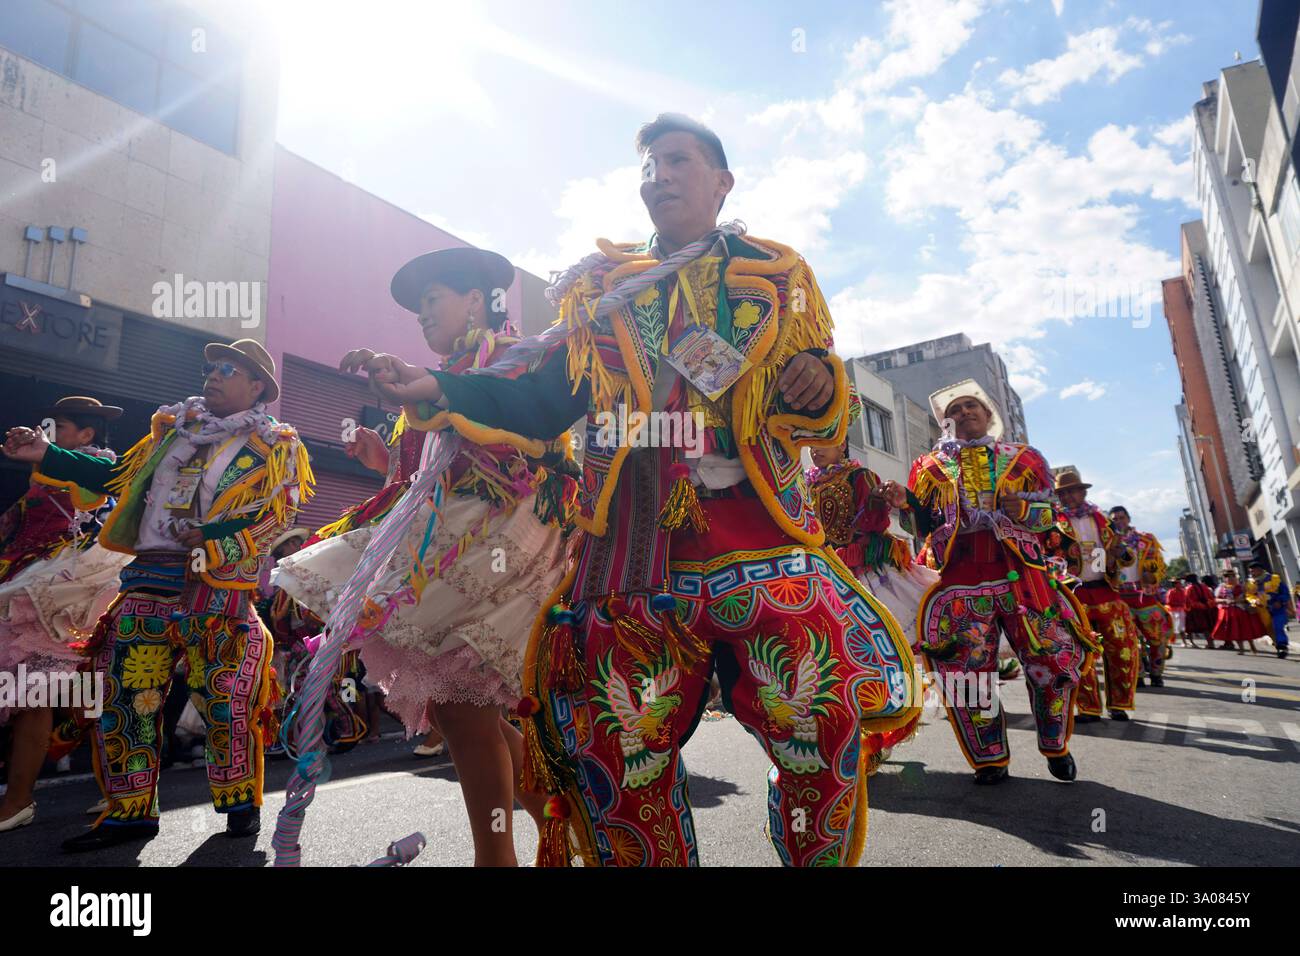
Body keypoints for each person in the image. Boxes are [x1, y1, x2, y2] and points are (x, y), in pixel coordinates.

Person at [361, 114, 919, 866]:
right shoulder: (602, 294)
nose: (659, 174)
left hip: (760, 539)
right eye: (650, 164)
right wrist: (434, 384)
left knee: (818, 725)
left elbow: (815, 413)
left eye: (678, 160)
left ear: (722, 182)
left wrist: (823, 382)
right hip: (632, 554)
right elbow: (539, 403)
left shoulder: (777, 276)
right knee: (619, 759)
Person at [275, 246, 571, 866]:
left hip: (501, 537)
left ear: (474, 300)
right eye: (416, 310)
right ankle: (560, 830)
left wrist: (426, 389)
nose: (422, 315)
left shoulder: (514, 358)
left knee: (464, 706)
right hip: (452, 534)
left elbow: (511, 428)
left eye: (432, 299)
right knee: (464, 711)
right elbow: (424, 472)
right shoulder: (449, 373)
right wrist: (386, 452)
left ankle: (503, 857)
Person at [2, 340, 313, 851]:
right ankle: (130, 812)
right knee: (129, 698)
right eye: (211, 367)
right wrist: (48, 455)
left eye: (228, 370)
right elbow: (120, 480)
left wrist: (214, 536)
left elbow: (277, 514)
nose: (213, 375)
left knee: (223, 700)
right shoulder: (174, 433)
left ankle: (240, 803)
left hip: (214, 588)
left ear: (256, 387)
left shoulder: (275, 445)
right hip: (148, 580)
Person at [905, 382, 1094, 784]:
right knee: (966, 672)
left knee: (1051, 660)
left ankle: (1055, 743)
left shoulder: (1023, 458)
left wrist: (1024, 507)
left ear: (989, 414)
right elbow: (922, 526)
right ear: (945, 422)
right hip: (962, 579)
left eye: (972, 404)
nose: (965, 411)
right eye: (955, 409)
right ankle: (989, 756)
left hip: (1022, 576)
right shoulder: (930, 468)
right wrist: (905, 505)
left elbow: (1051, 520)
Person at [0, 397, 127, 833]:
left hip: (61, 595)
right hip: (32, 587)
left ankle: (17, 801)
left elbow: (89, 502)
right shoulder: (49, 474)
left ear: (86, 436)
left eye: (58, 426)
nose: (47, 431)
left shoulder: (93, 471)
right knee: (78, 697)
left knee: (32, 695)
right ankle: (124, 786)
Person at [1048, 471, 1142, 722]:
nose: (1068, 496)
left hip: (1106, 591)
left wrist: (1119, 554)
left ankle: (1120, 704)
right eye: (1063, 493)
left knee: (1123, 649)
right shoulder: (1052, 523)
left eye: (1072, 491)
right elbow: (1044, 557)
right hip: (1073, 596)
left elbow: (1126, 557)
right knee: (1078, 652)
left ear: (1084, 492)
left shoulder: (1103, 520)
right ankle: (1088, 707)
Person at [1107, 506, 1174, 688]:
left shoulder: (1146, 539)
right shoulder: (1107, 542)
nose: (1119, 521)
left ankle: (1156, 673)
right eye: (1115, 519)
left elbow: (1156, 570)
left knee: (1157, 639)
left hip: (1145, 596)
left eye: (1122, 517)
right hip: (1120, 597)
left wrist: (1150, 576)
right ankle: (1137, 674)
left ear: (1128, 519)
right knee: (1129, 640)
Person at [1246, 562, 1291, 659]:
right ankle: (1278, 646)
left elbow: (1285, 593)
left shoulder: (1274, 578)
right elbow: (1249, 596)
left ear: (1260, 569)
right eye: (1250, 571)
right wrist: (1254, 601)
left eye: (1253, 571)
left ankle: (1282, 646)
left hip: (1277, 608)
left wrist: (1280, 601)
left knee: (1278, 626)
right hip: (1263, 609)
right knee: (1270, 630)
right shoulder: (1250, 583)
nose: (1252, 573)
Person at [1212, 570, 1260, 654]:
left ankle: (1252, 645)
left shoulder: (1242, 587)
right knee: (1235, 631)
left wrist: (1237, 600)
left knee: (1246, 629)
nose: (1230, 578)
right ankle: (1241, 649)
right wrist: (1224, 600)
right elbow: (1216, 599)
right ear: (1224, 578)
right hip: (1228, 612)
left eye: (1232, 576)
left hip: (1241, 610)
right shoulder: (1221, 588)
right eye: (1227, 576)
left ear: (1235, 577)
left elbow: (1248, 597)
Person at [1184, 573, 1216, 647]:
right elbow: (1210, 596)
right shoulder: (1204, 586)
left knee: (1204, 627)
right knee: (1208, 626)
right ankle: (1211, 643)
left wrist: (1187, 610)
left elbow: (1188, 600)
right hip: (1207, 607)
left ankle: (1210, 643)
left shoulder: (1189, 588)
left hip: (1197, 609)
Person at [1164, 577, 1188, 647]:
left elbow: (1185, 601)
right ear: (1175, 584)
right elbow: (1169, 602)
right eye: (1178, 583)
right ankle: (1172, 641)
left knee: (1182, 627)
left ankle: (1184, 642)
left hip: (1181, 611)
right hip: (1174, 611)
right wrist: (1179, 604)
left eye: (1180, 583)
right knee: (1173, 627)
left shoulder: (1183, 591)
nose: (1180, 584)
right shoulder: (1171, 592)